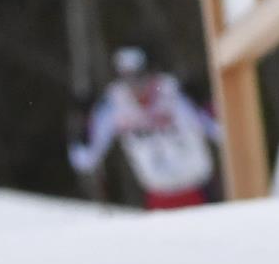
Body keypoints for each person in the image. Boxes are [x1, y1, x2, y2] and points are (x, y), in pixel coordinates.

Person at [69, 46, 224, 211]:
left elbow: (220, 131)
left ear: (151, 73)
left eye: (138, 77)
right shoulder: (115, 104)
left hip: (198, 191)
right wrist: (83, 123)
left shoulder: (174, 94)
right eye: (126, 79)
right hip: (157, 197)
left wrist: (208, 104)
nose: (134, 86)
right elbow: (84, 159)